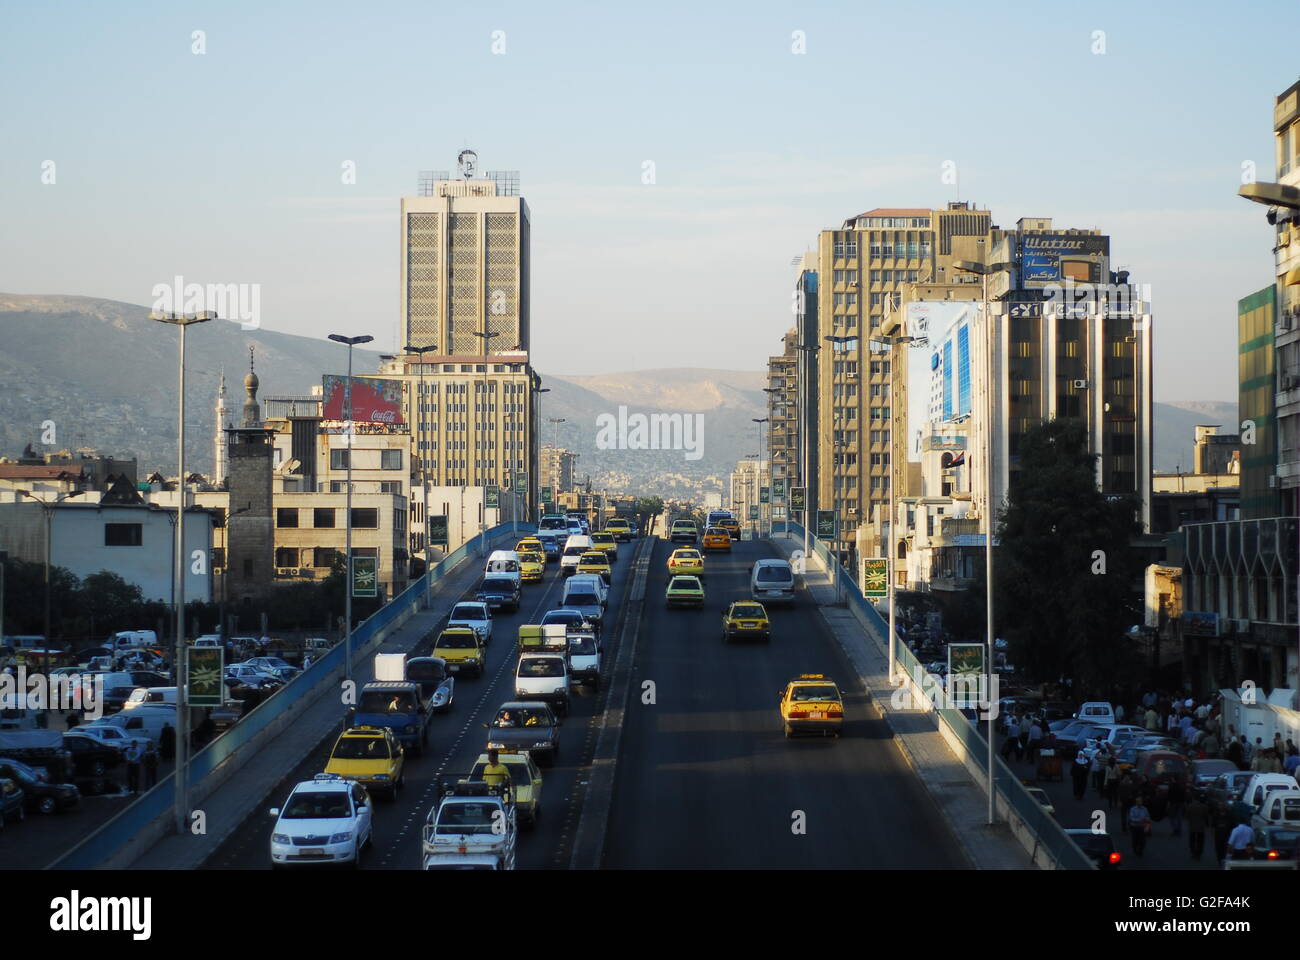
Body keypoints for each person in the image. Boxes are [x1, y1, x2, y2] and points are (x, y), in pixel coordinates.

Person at [1185, 793, 1209, 861]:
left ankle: (1193, 852)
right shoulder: (1204, 806)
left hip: (1192, 826)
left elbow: (1187, 816)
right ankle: (1199, 853)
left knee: (1192, 840)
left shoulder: (1190, 806)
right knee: (1200, 841)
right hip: (1201, 827)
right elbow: (1206, 816)